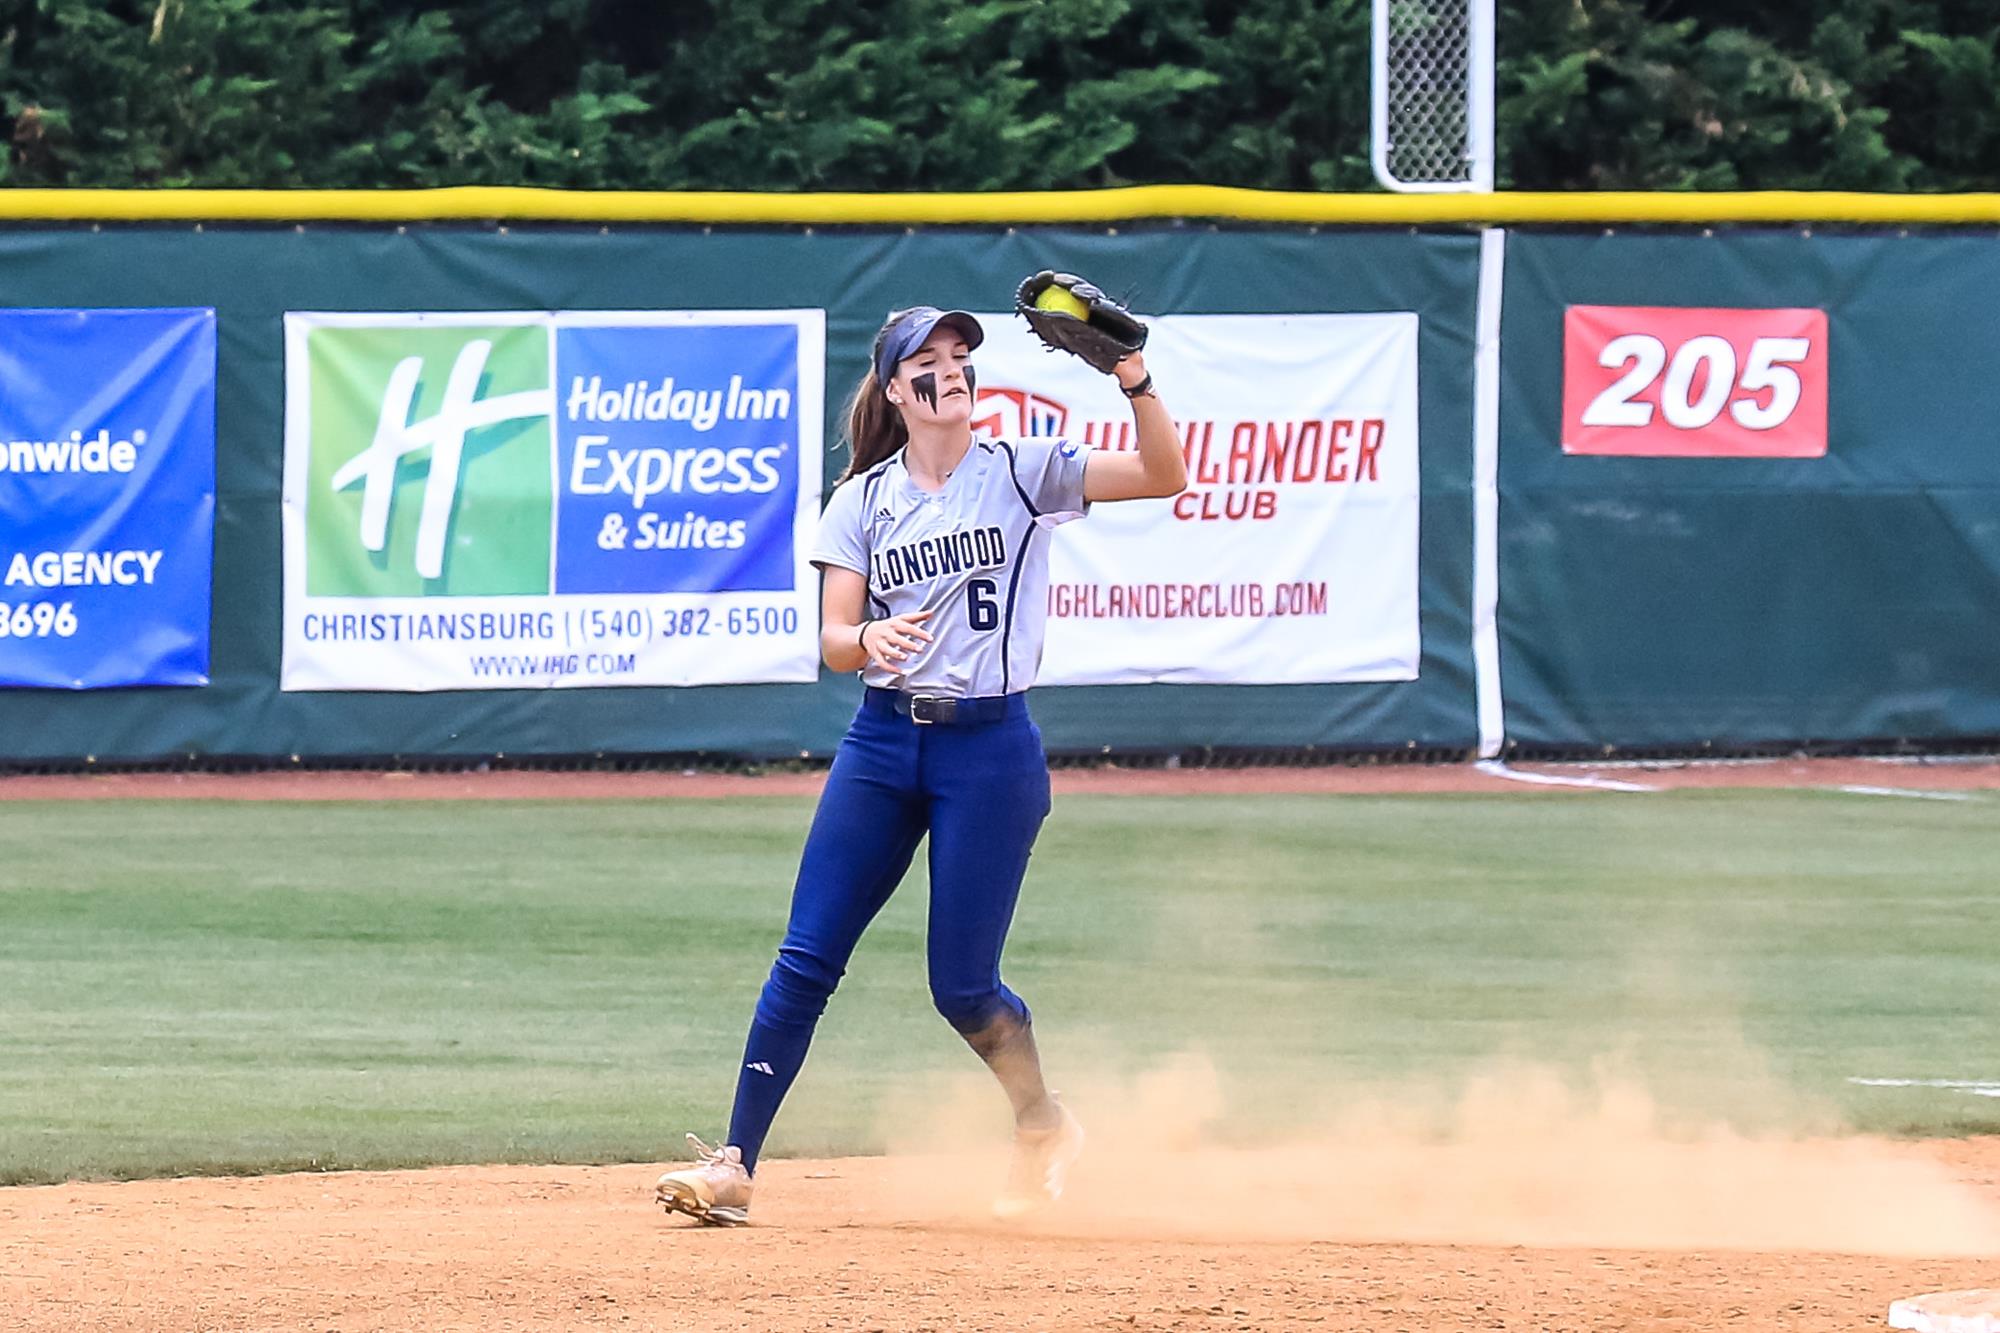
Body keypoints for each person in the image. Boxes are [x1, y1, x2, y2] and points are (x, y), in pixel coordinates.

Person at [655, 301, 1186, 1225]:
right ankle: (734, 1163)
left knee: (963, 987)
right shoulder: (861, 497)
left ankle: (1041, 1122)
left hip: (991, 748)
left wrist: (1133, 378)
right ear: (897, 390)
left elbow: (1161, 474)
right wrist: (869, 635)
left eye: (961, 353)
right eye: (929, 358)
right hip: (883, 741)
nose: (952, 367)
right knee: (807, 954)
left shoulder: (1023, 468)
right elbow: (832, 639)